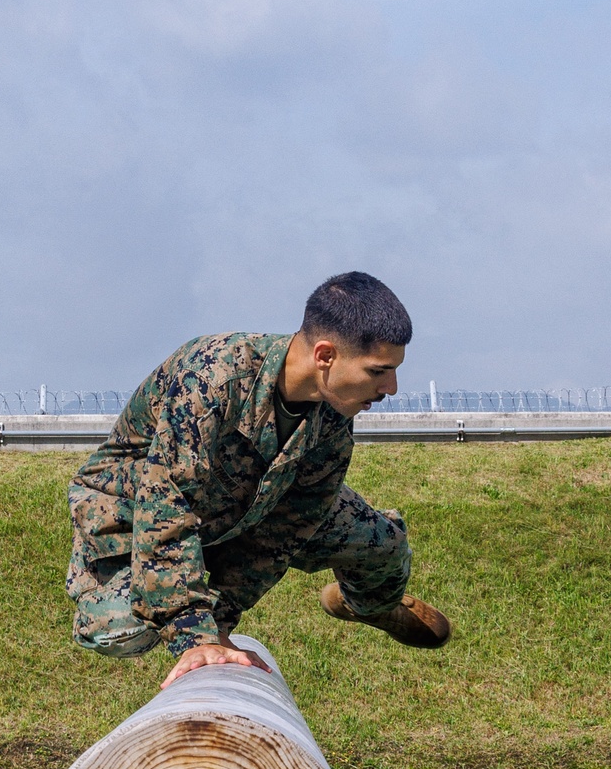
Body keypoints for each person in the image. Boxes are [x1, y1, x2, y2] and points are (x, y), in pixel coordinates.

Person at [66, 271, 450, 688]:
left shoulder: (335, 415)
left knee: (384, 544)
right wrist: (195, 635)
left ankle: (370, 605)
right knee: (119, 630)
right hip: (135, 514)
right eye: (379, 371)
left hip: (254, 499)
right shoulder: (213, 377)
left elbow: (288, 528)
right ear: (325, 356)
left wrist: (222, 621)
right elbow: (166, 506)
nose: (391, 388)